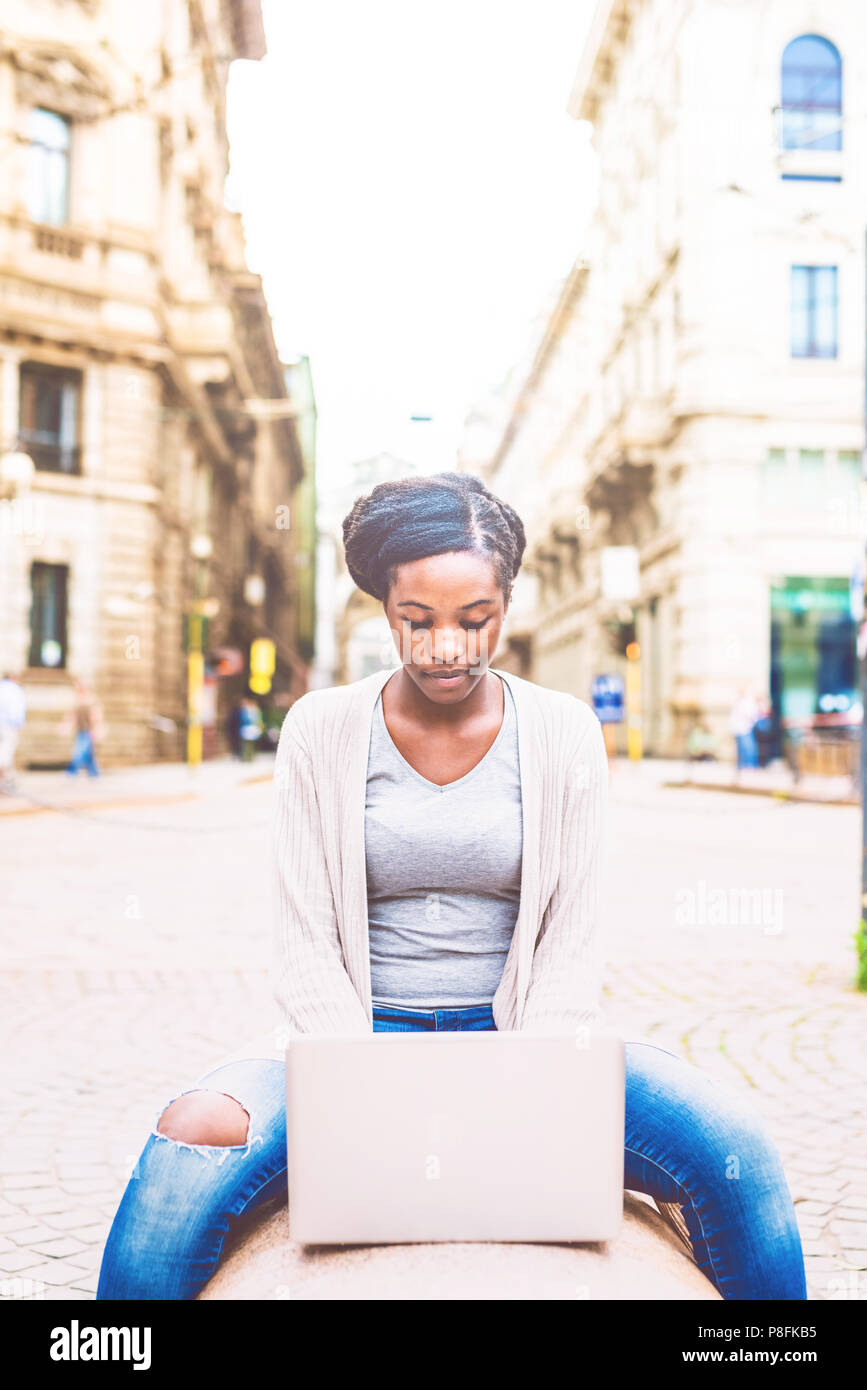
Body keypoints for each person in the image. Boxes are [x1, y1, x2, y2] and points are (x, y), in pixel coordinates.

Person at [96, 472, 806, 1301]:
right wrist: (358, 1099)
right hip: (349, 1041)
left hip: (525, 1039)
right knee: (188, 1139)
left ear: (507, 600)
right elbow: (304, 941)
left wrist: (529, 1089)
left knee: (735, 1147)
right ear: (382, 607)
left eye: (476, 621)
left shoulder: (562, 730)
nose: (446, 648)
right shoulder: (320, 730)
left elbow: (568, 942)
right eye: (416, 621)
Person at [65, 679, 103, 778]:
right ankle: (94, 772)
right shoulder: (78, 700)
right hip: (80, 730)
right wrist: (67, 725)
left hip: (88, 731)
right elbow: (72, 715)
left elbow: (96, 716)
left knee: (79, 751)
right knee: (89, 752)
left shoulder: (91, 700)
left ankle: (71, 771)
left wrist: (96, 729)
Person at [0, 672, 26, 793]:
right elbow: (17, 710)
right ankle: (5, 781)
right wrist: (19, 725)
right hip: (9, 726)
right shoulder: (15, 690)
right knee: (6, 752)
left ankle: (6, 780)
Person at [729, 687, 760, 773]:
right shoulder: (738, 702)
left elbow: (752, 714)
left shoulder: (748, 702)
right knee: (741, 748)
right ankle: (742, 765)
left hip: (745, 728)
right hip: (738, 728)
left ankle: (751, 765)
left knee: (748, 747)